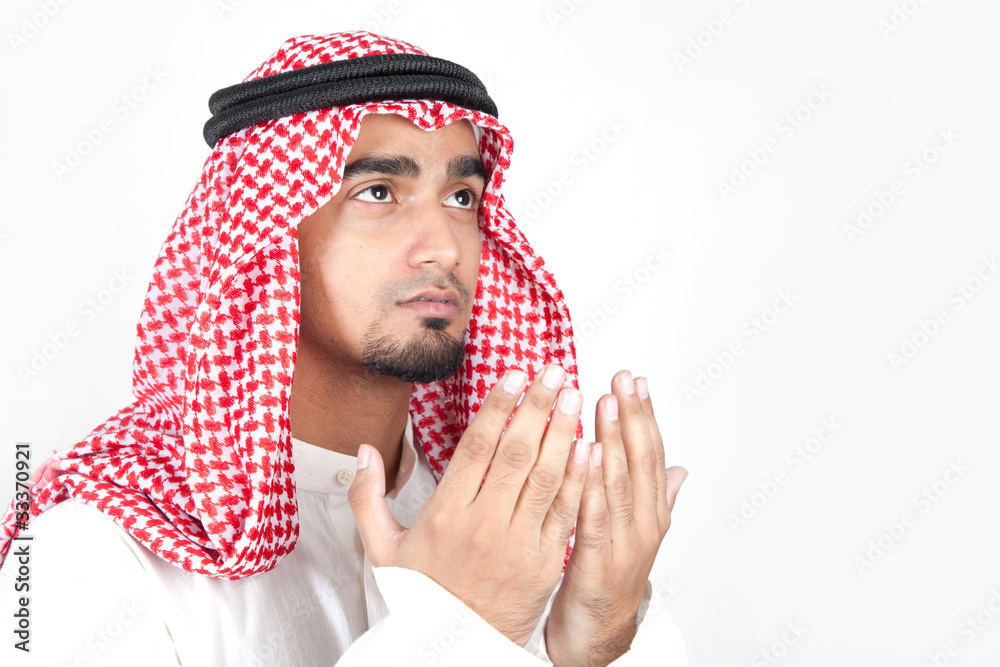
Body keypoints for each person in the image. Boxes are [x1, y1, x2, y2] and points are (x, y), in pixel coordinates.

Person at [0, 31, 689, 665]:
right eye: (380, 191)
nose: (446, 246)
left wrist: (601, 636)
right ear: (267, 239)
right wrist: (454, 632)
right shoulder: (90, 555)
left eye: (461, 196)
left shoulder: (513, 525)